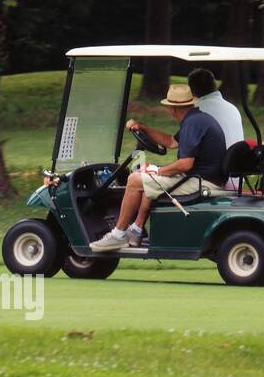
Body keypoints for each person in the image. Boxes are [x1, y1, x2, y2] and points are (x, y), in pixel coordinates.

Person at [88, 83, 227, 251]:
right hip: (203, 177)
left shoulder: (192, 123)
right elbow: (171, 142)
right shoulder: (197, 119)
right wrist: (144, 128)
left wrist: (158, 170)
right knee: (148, 179)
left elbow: (185, 164)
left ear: (174, 109)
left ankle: (118, 235)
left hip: (201, 182)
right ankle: (136, 230)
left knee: (134, 180)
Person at [189, 67, 246, 191]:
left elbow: (182, 148)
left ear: (192, 91)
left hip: (213, 179)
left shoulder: (198, 110)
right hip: (236, 177)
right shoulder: (232, 108)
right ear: (214, 85)